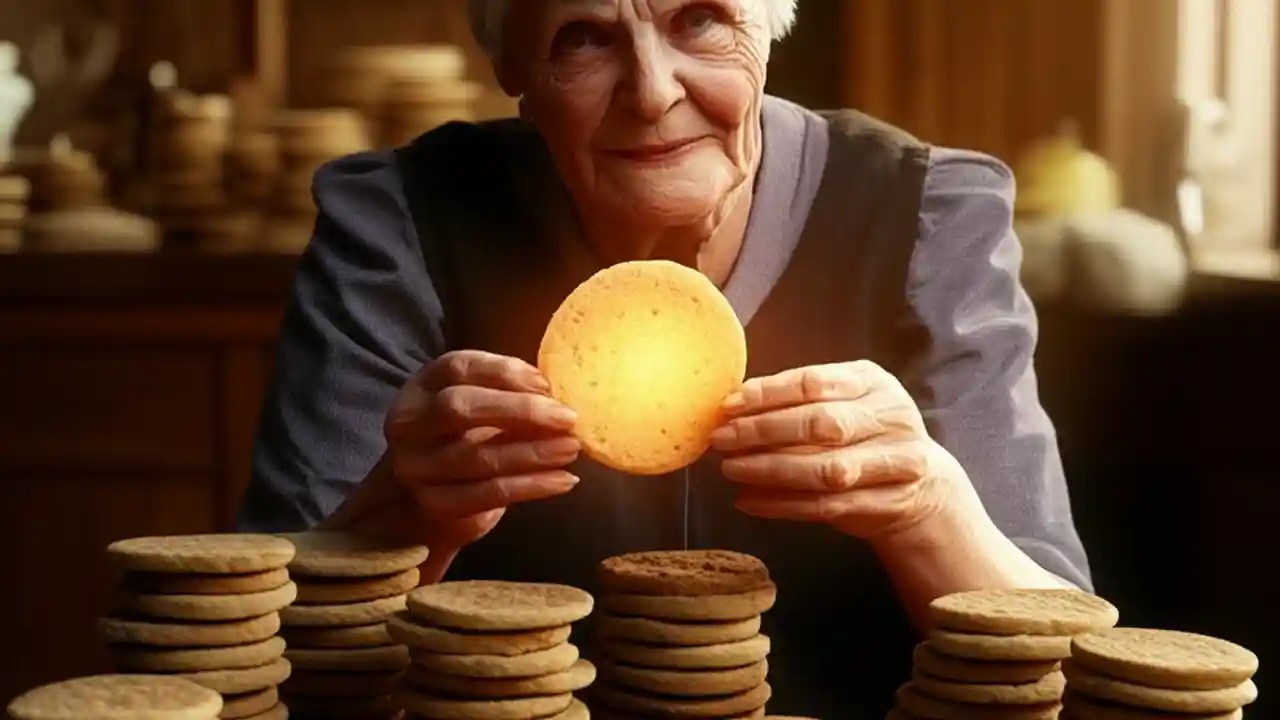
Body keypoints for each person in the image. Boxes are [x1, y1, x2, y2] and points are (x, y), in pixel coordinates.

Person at [237, 0, 1094, 716]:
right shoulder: (397, 224)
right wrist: (405, 517)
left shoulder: (928, 216)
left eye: (701, 19)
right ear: (512, 66)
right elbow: (256, 651)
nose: (652, 93)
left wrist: (930, 506)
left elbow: (1071, 656)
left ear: (767, 27)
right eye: (583, 35)